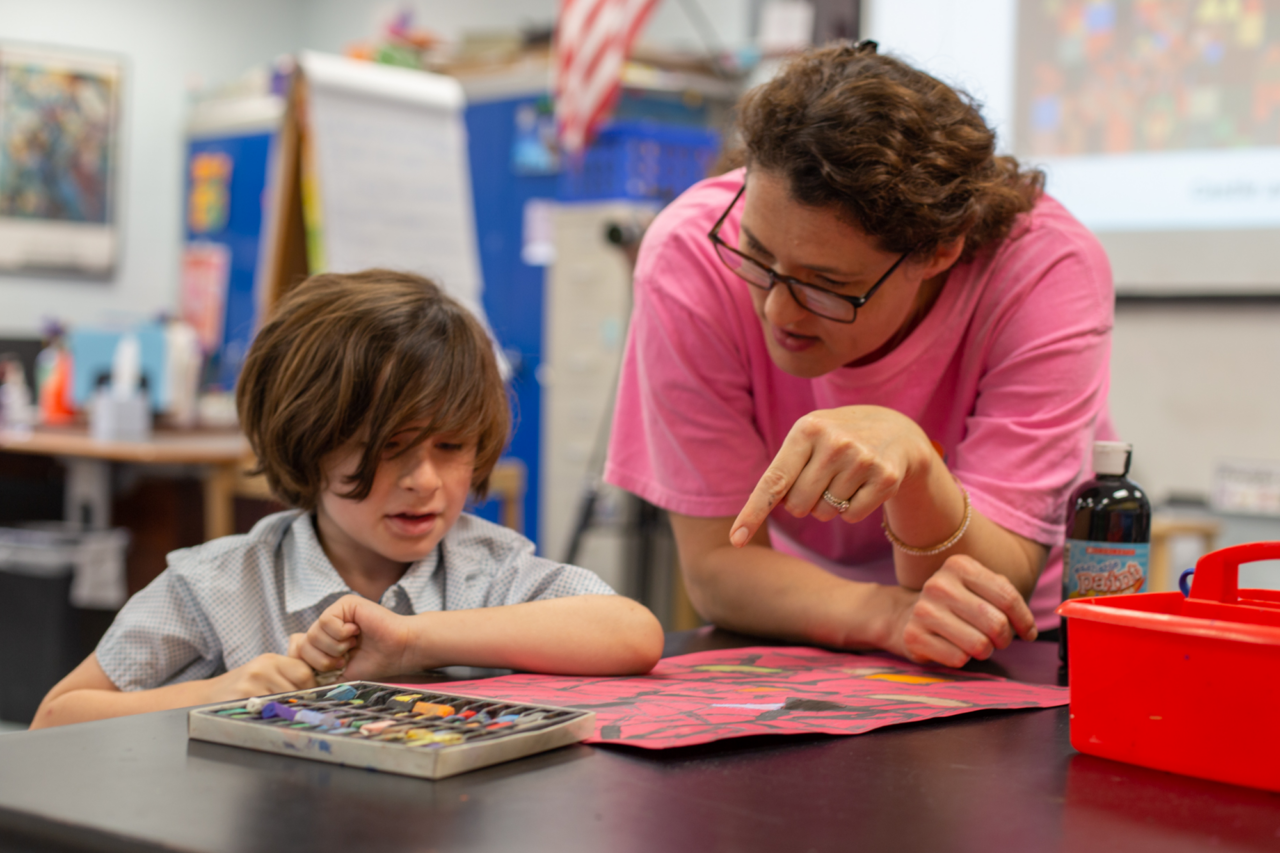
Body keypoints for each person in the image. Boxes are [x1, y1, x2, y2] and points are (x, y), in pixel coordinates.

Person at [606, 42, 1115, 668]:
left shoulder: (1045, 273)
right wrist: (883, 615)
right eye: (759, 257)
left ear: (939, 252)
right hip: (816, 614)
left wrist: (919, 473)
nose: (778, 313)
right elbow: (716, 567)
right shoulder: (691, 255)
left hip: (1010, 633)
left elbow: (992, 582)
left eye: (826, 286)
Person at [32, 270, 663, 729]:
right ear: (308, 443)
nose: (425, 480)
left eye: (450, 446)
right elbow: (56, 719)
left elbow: (632, 634)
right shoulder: (218, 585)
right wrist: (225, 690)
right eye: (388, 447)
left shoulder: (484, 568)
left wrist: (415, 641)